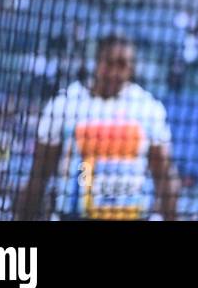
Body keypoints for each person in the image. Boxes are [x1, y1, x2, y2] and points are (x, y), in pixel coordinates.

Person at [16, 34, 178, 220]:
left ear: (131, 69)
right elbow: (39, 176)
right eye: (109, 63)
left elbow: (165, 176)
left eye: (122, 65)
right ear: (97, 62)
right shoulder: (65, 105)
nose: (114, 73)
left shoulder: (148, 109)